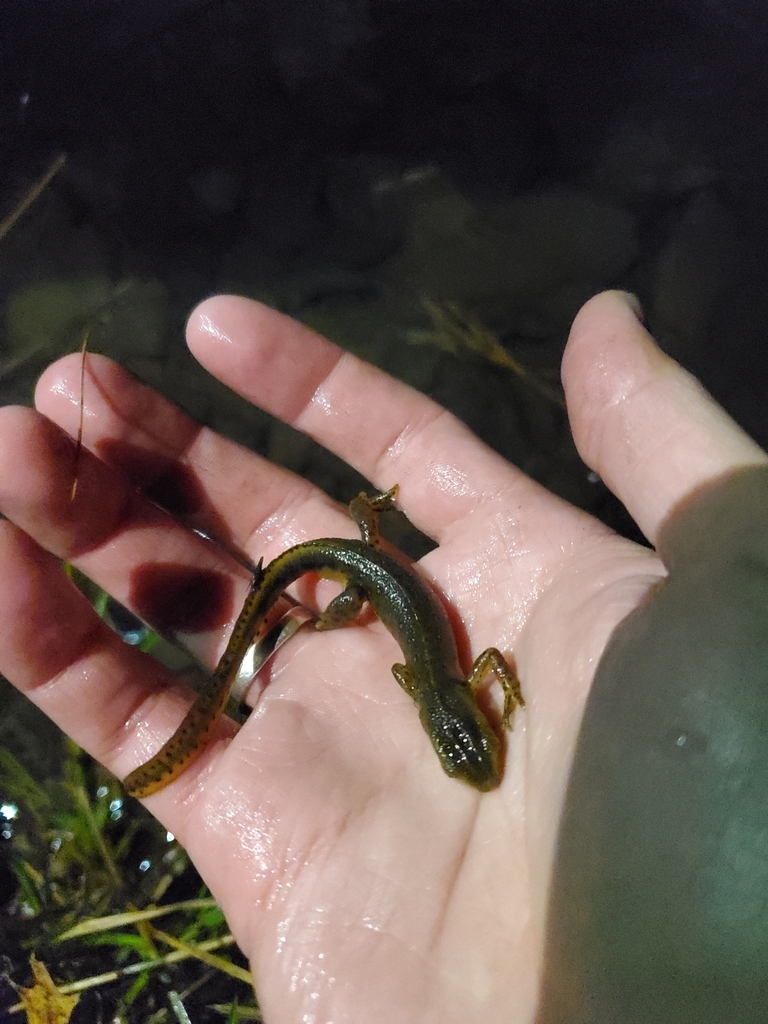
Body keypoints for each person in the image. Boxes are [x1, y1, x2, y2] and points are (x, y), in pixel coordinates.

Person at [0, 290, 764, 1023]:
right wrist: (353, 606)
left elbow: (436, 670)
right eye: (474, 744)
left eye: (464, 747)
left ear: (452, 719)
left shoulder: (437, 685)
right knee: (337, 588)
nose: (476, 749)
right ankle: (348, 551)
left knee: (336, 590)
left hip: (367, 566)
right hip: (360, 565)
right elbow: (473, 664)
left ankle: (350, 552)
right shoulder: (446, 683)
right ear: (459, 714)